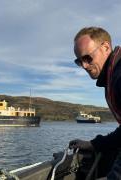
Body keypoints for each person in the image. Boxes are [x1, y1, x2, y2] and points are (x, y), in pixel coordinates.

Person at [69, 26, 121, 180]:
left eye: (87, 58)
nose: (84, 66)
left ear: (105, 47)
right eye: (79, 61)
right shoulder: (112, 75)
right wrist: (94, 144)